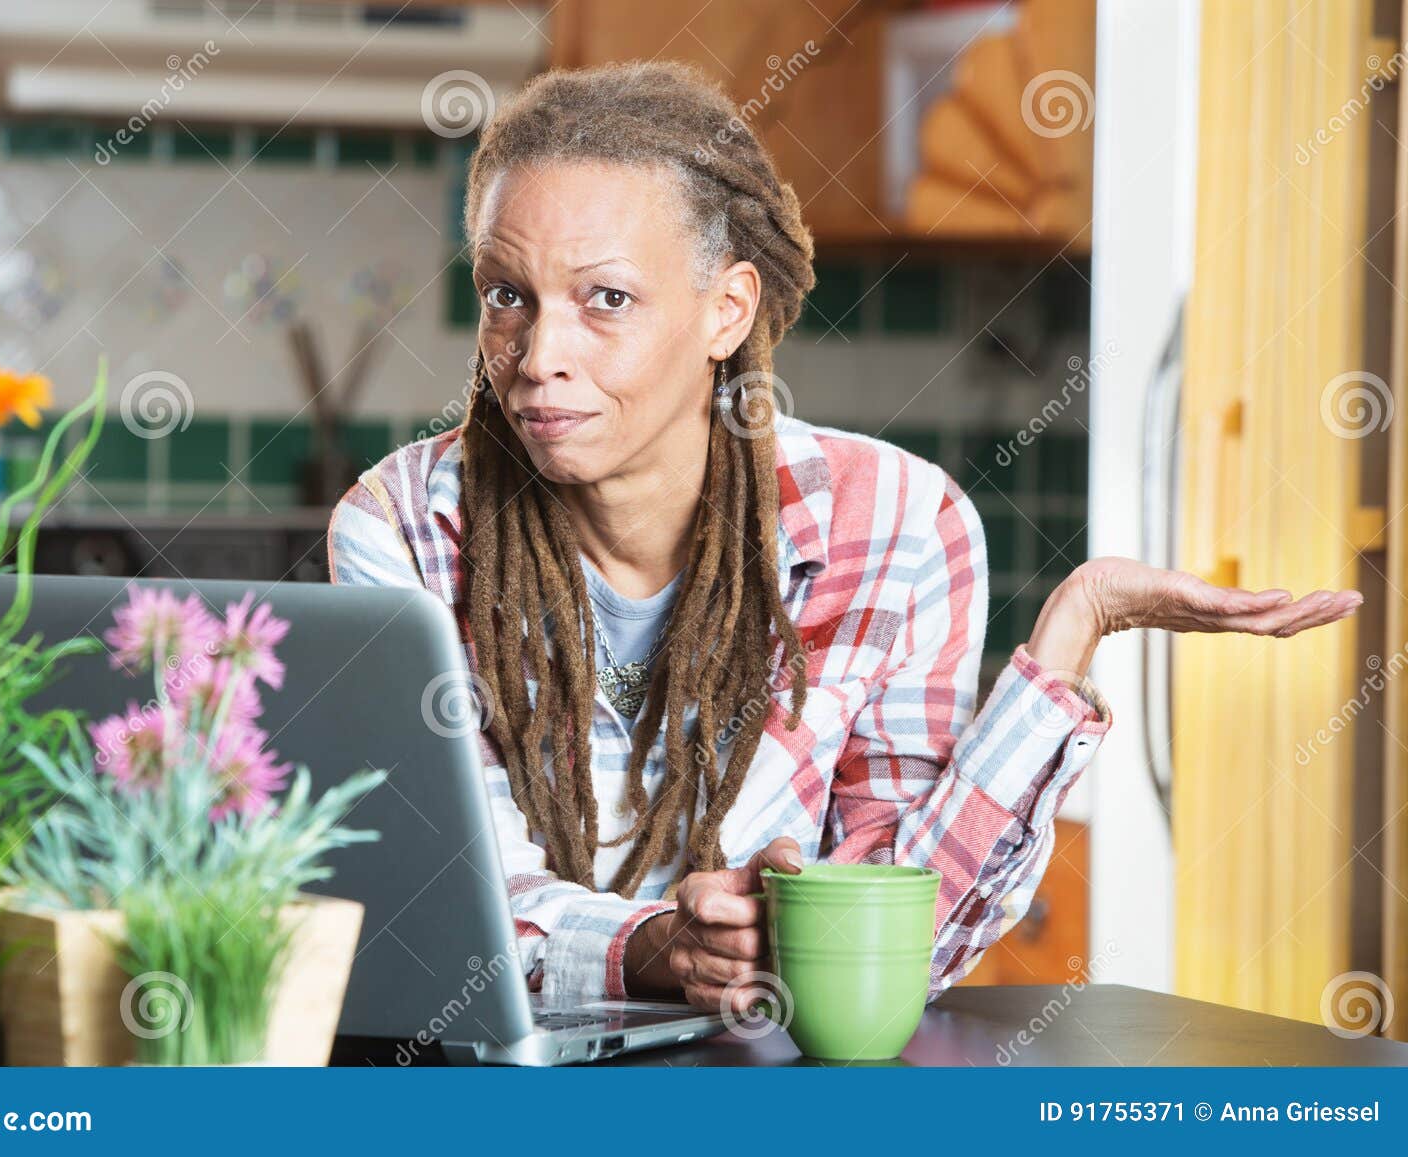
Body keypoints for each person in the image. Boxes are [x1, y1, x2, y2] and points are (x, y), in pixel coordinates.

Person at [328, 60, 1359, 1016]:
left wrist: (1069, 632)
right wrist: (651, 945)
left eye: (606, 299)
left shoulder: (899, 524)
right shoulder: (405, 527)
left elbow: (909, 942)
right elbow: (435, 906)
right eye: (509, 295)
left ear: (726, 308)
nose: (539, 353)